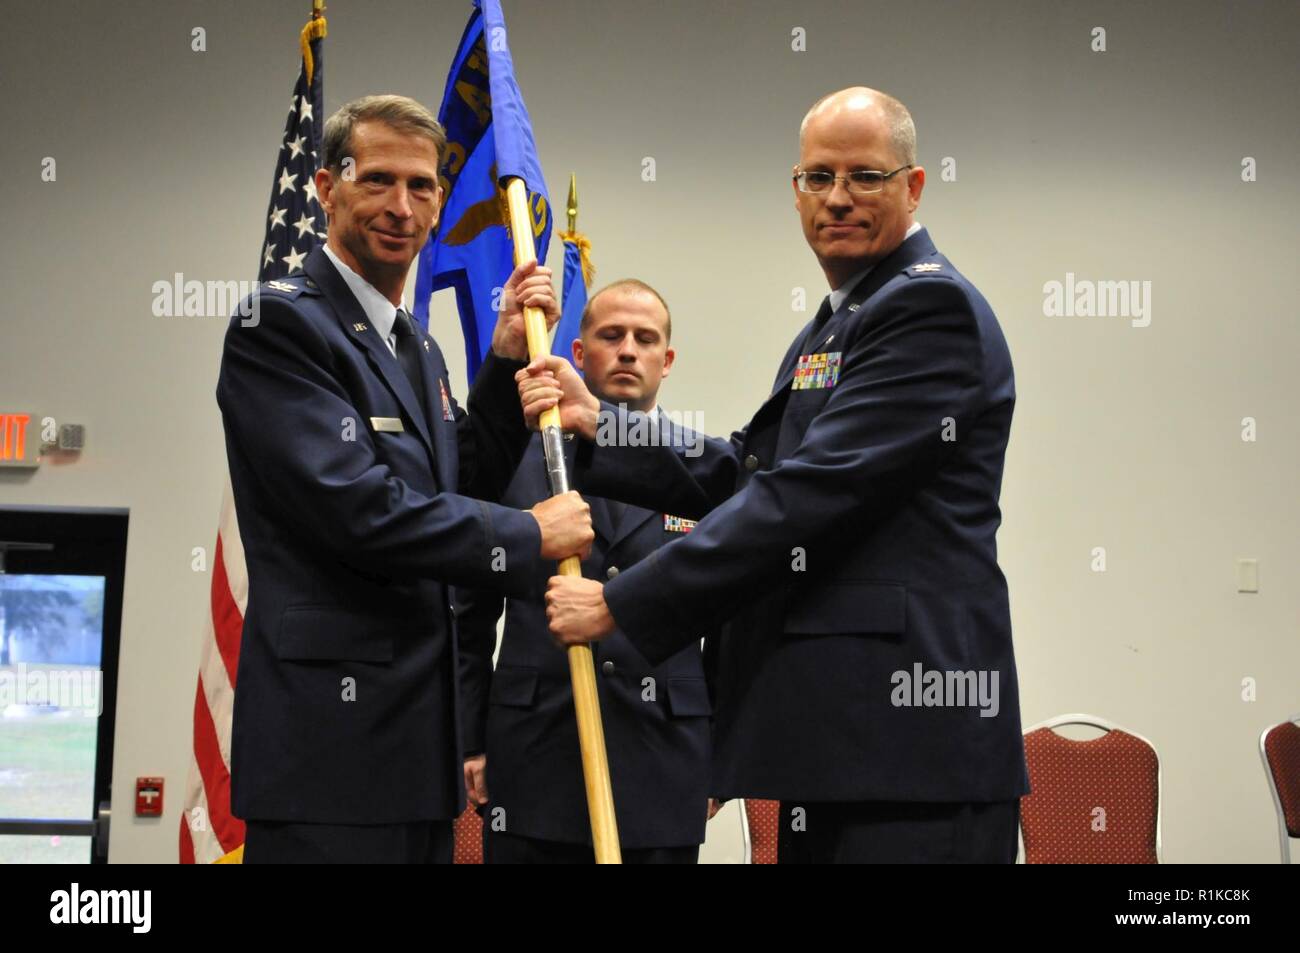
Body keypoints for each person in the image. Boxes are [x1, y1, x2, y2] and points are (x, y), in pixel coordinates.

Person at [529, 87, 1028, 863]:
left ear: (914, 185)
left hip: (906, 751)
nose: (838, 198)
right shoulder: (838, 320)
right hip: (838, 740)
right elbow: (753, 468)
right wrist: (603, 423)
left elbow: (807, 496)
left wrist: (622, 605)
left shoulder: (929, 310)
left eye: (864, 176)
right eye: (817, 177)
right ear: (796, 191)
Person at [216, 94, 593, 864]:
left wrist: (505, 364)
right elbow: (361, 512)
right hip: (328, 750)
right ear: (327, 188)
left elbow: (454, 480)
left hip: (421, 748)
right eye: (378, 179)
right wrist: (529, 534)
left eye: (422, 186)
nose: (401, 205)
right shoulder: (281, 326)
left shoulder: (415, 346)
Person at [458, 279, 715, 864]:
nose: (628, 349)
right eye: (610, 335)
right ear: (577, 353)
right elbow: (470, 605)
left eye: (645, 338)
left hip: (664, 753)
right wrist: (472, 736)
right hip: (531, 754)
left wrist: (717, 750)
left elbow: (732, 615)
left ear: (666, 360)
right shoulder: (516, 464)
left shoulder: (700, 472)